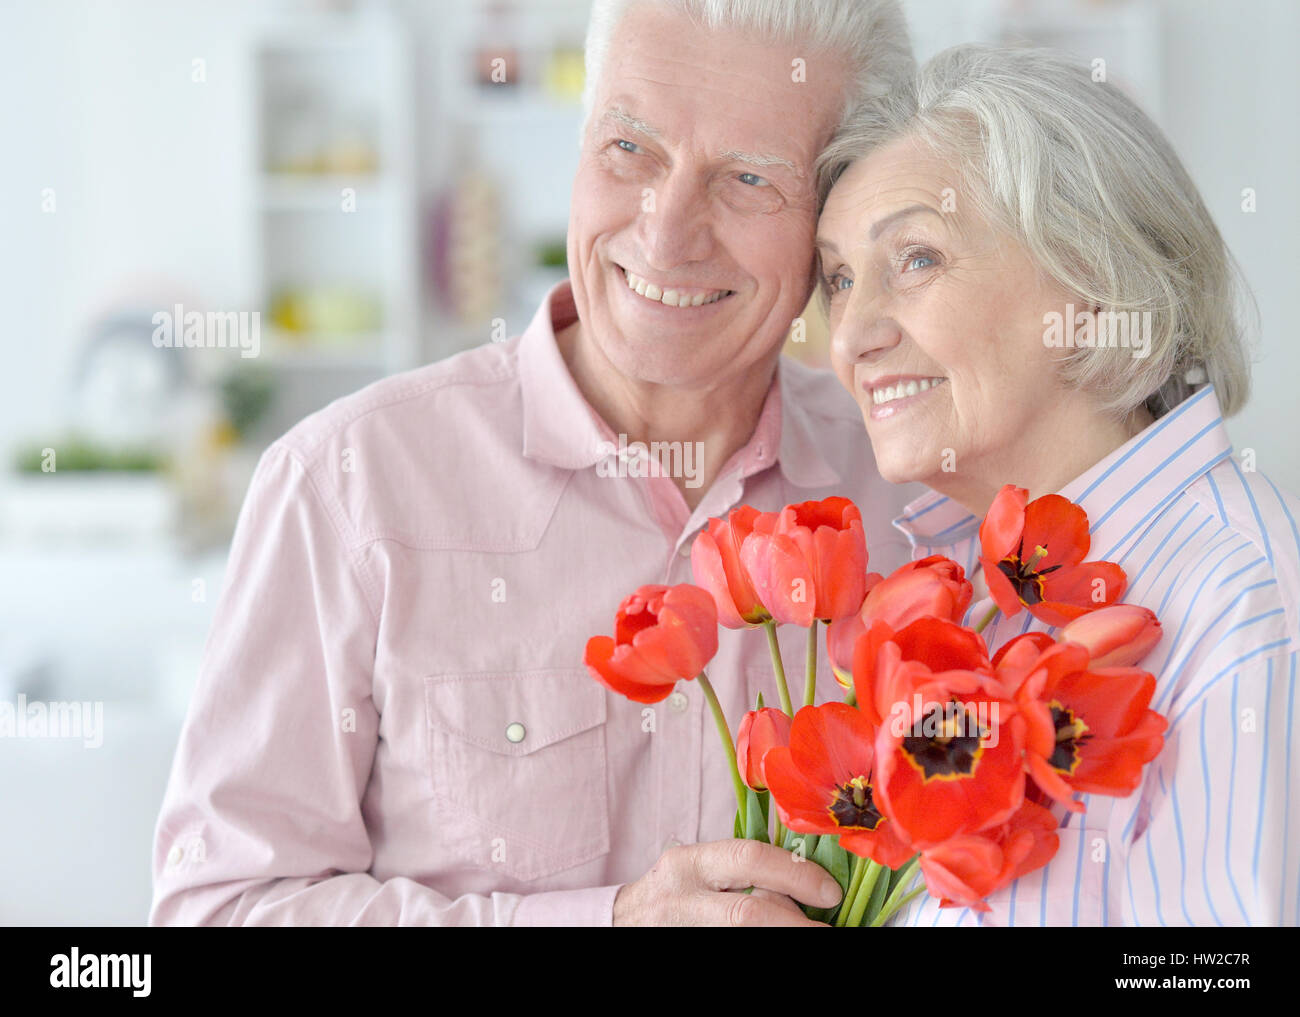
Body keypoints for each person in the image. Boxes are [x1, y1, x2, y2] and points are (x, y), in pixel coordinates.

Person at [149, 0, 920, 927]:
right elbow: (221, 908)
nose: (667, 232)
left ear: (836, 224)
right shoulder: (344, 486)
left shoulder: (911, 492)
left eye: (749, 178)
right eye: (629, 150)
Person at [816, 42, 1299, 926]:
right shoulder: (950, 586)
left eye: (915, 258)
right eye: (839, 280)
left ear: (1095, 273)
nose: (849, 337)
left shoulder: (1241, 593)